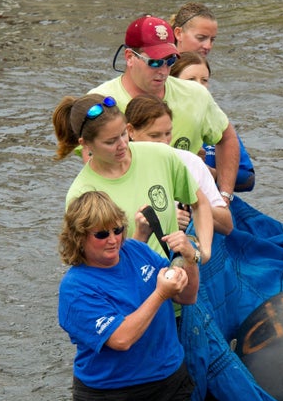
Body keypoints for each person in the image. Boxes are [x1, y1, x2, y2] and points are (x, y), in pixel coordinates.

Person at [57, 190, 202, 401]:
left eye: (118, 230)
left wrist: (189, 260)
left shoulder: (135, 250)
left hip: (169, 381)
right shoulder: (76, 288)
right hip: (112, 400)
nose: (113, 240)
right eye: (102, 234)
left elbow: (187, 297)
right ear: (79, 239)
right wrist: (159, 294)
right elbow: (121, 339)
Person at [52, 93, 210, 289]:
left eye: (123, 134)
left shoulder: (161, 155)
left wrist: (201, 253)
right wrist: (139, 238)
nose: (122, 145)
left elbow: (200, 203)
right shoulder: (81, 194)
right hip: (132, 299)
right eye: (110, 142)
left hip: (179, 288)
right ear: (85, 144)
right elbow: (94, 268)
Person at [88, 14, 241, 205]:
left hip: (193, 206)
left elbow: (227, 138)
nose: (163, 70)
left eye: (169, 61)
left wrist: (225, 196)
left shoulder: (196, 95)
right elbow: (95, 169)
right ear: (129, 57)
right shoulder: (99, 101)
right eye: (154, 62)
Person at [123, 93, 233, 235]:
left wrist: (195, 208)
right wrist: (166, 215)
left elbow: (226, 224)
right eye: (154, 136)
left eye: (168, 133)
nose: (164, 142)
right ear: (130, 131)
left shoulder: (190, 162)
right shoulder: (116, 167)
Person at [170, 51, 255, 192]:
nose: (199, 86)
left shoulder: (215, 119)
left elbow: (248, 179)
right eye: (191, 80)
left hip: (214, 195)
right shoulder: (160, 121)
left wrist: (211, 173)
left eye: (204, 80)